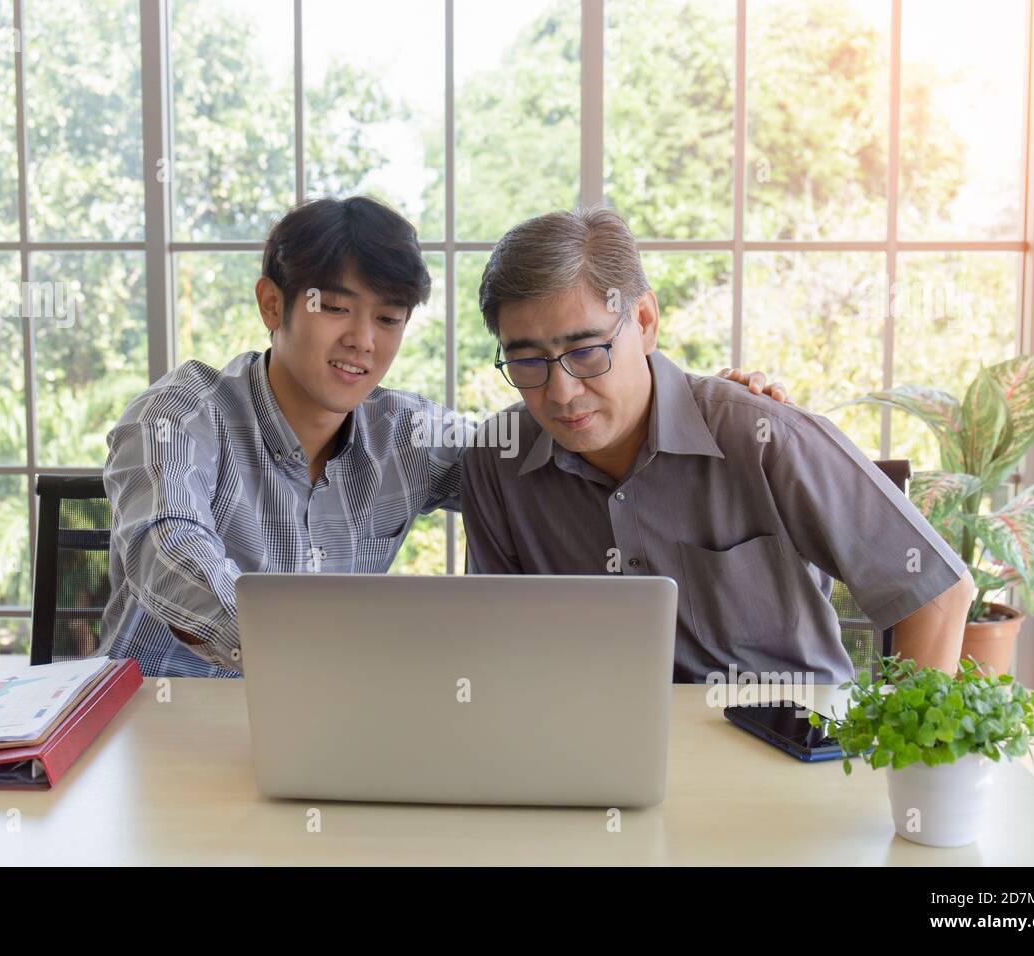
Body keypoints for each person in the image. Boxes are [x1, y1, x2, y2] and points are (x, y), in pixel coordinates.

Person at [100, 196, 791, 676]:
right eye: (335, 309)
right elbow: (168, 551)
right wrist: (311, 657)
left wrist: (701, 405)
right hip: (157, 726)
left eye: (389, 319)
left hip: (326, 729)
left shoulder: (405, 434)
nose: (361, 343)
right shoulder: (179, 414)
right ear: (272, 304)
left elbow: (563, 439)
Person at [461, 207, 975, 684]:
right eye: (528, 362)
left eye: (587, 351)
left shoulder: (763, 436)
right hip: (590, 758)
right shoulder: (496, 461)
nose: (561, 392)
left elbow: (937, 592)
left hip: (785, 754)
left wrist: (896, 763)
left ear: (643, 322)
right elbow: (498, 646)